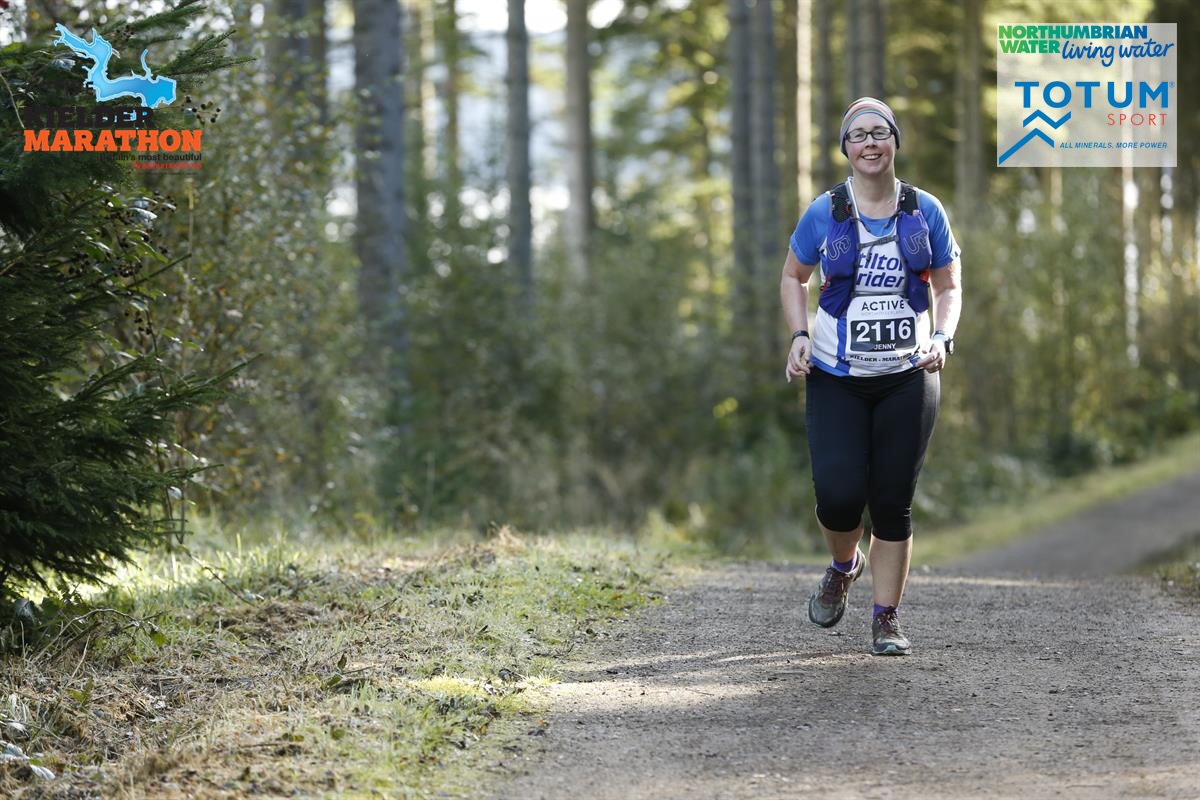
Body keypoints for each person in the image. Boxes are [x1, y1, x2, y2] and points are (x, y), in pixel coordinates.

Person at [779, 97, 963, 656]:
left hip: (909, 374)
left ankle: (886, 619)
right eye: (857, 135)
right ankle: (843, 564)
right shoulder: (826, 212)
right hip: (836, 373)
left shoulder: (923, 210)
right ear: (845, 148)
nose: (869, 143)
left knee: (891, 502)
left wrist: (941, 336)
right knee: (837, 497)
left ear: (894, 142)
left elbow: (948, 286)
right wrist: (799, 335)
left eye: (879, 132)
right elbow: (794, 277)